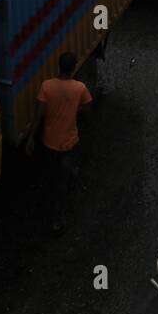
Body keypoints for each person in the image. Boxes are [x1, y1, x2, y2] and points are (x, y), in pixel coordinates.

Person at [32, 51, 93, 235]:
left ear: (59, 66)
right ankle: (57, 219)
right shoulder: (80, 88)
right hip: (69, 143)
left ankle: (44, 209)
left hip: (49, 142)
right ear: (73, 67)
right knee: (63, 182)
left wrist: (30, 139)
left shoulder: (46, 86)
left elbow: (39, 115)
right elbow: (88, 110)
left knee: (49, 178)